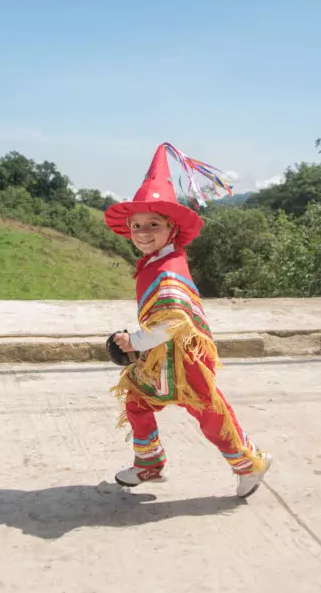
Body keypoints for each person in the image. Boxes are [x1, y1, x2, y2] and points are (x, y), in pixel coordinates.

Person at [103, 142, 271, 499]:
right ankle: (149, 464)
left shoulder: (167, 270)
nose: (142, 232)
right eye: (136, 225)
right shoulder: (158, 260)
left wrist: (134, 341)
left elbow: (175, 321)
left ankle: (249, 464)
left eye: (153, 224)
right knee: (137, 401)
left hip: (184, 360)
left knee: (211, 416)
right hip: (161, 360)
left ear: (172, 229)